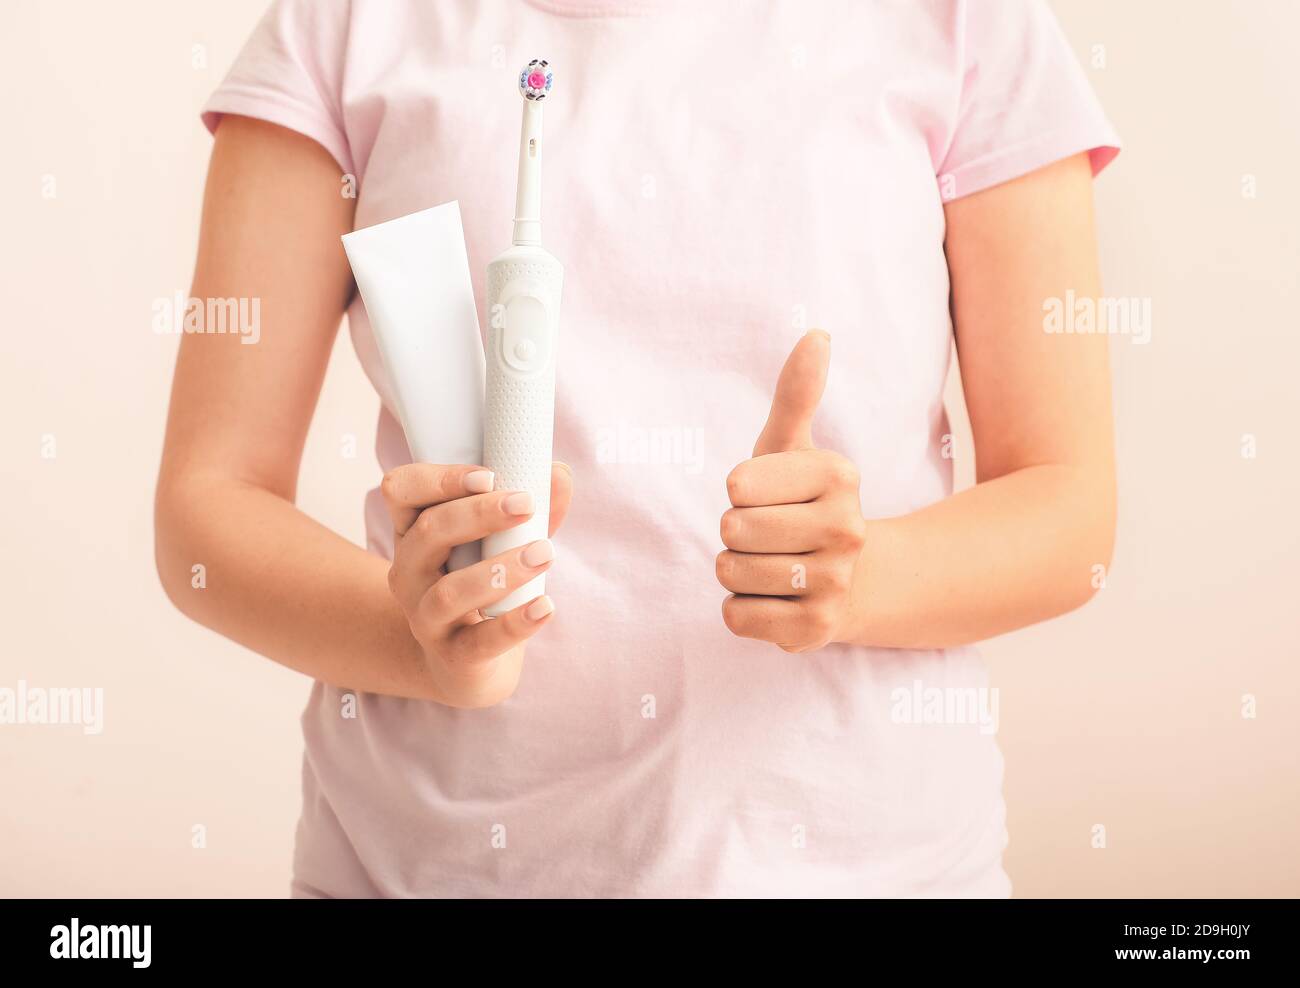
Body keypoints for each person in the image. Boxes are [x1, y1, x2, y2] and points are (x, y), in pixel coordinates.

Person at [155, 0, 1119, 897]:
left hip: (872, 870)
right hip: (420, 872)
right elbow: (208, 504)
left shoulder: (963, 23)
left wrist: (863, 576)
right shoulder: (346, 26)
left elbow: (1069, 507)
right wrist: (418, 641)